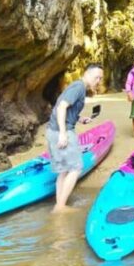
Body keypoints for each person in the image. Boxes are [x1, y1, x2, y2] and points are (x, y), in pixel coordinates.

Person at [46, 63, 103, 213]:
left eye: (100, 78)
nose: (98, 81)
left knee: (64, 170)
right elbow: (61, 107)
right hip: (61, 131)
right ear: (87, 73)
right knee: (76, 168)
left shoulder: (79, 88)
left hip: (54, 130)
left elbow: (66, 108)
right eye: (97, 77)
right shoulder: (78, 87)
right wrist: (63, 133)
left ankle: (59, 205)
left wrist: (79, 118)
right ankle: (60, 207)